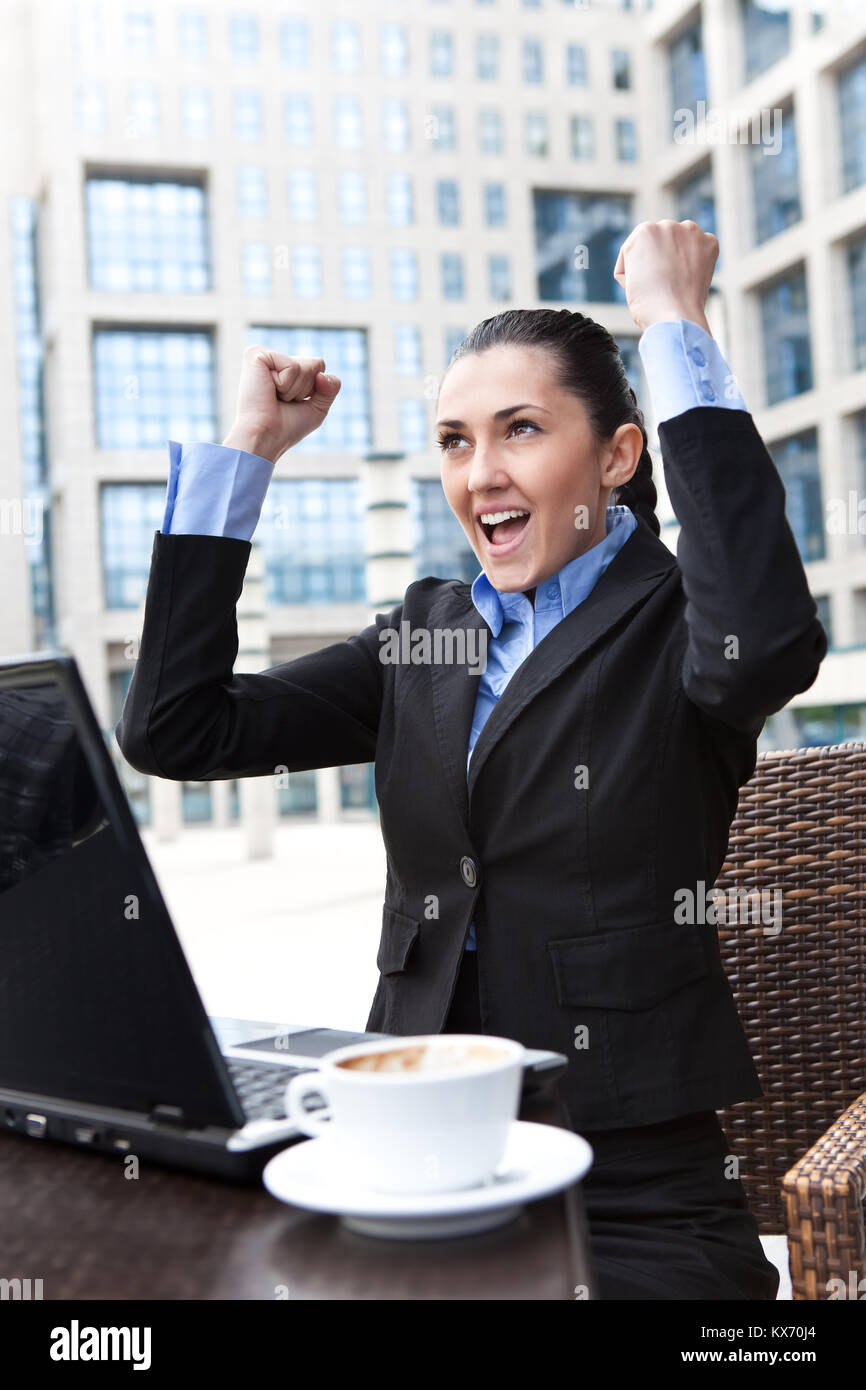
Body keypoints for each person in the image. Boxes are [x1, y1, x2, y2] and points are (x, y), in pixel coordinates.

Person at [115, 221, 826, 1299]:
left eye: (520, 430)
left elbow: (763, 648)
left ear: (618, 455)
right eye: (453, 439)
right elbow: (176, 728)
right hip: (407, 1139)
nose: (480, 473)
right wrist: (248, 455)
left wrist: (674, 325)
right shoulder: (421, 632)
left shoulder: (681, 620)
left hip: (624, 1180)